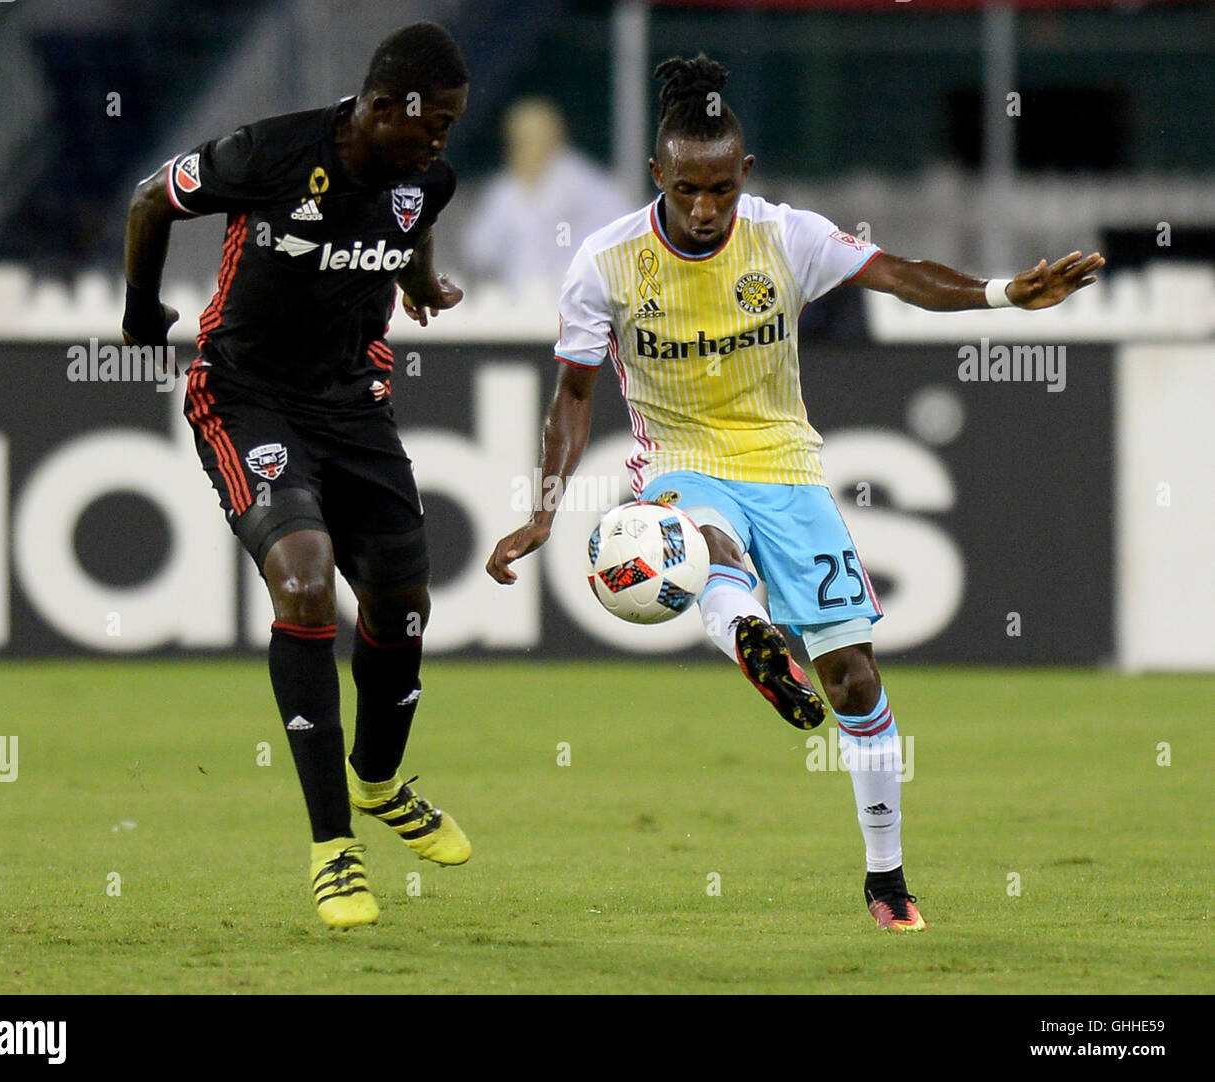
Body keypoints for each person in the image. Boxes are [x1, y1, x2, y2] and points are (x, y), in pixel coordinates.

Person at [486, 54, 1103, 933]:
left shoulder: (785, 236)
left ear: (744, 176)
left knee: (852, 678)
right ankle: (746, 633)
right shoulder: (606, 263)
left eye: (719, 192)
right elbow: (573, 395)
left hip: (785, 464)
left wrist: (1005, 294)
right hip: (679, 458)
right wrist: (545, 507)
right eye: (686, 190)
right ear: (656, 175)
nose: (703, 211)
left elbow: (901, 274)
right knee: (700, 546)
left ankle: (887, 884)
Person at [122, 22, 473, 931]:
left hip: (354, 403)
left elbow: (416, 224)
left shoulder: (425, 178)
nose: (440, 141)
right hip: (246, 396)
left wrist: (421, 287)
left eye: (450, 125)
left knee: (401, 600)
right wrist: (138, 312)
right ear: (381, 103)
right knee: (307, 579)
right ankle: (333, 851)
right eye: (431, 122)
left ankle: (379, 783)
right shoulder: (270, 153)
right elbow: (148, 201)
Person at [461, 97, 630, 290]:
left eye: (533, 139)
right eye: (519, 140)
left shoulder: (587, 186)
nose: (525, 148)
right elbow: (479, 249)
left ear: (554, 137)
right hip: (520, 301)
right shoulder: (505, 190)